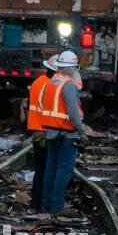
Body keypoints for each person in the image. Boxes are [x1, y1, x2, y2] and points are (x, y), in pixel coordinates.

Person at [29, 50, 87, 217]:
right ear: (71, 69)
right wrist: (81, 131)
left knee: (51, 169)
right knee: (64, 171)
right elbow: (73, 113)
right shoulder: (68, 85)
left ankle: (46, 204)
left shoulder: (50, 83)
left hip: (51, 132)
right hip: (67, 134)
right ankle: (56, 207)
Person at [25, 57, 58, 214]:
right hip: (46, 131)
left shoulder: (38, 82)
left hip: (37, 130)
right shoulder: (50, 85)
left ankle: (35, 203)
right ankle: (41, 204)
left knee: (40, 170)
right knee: (48, 170)